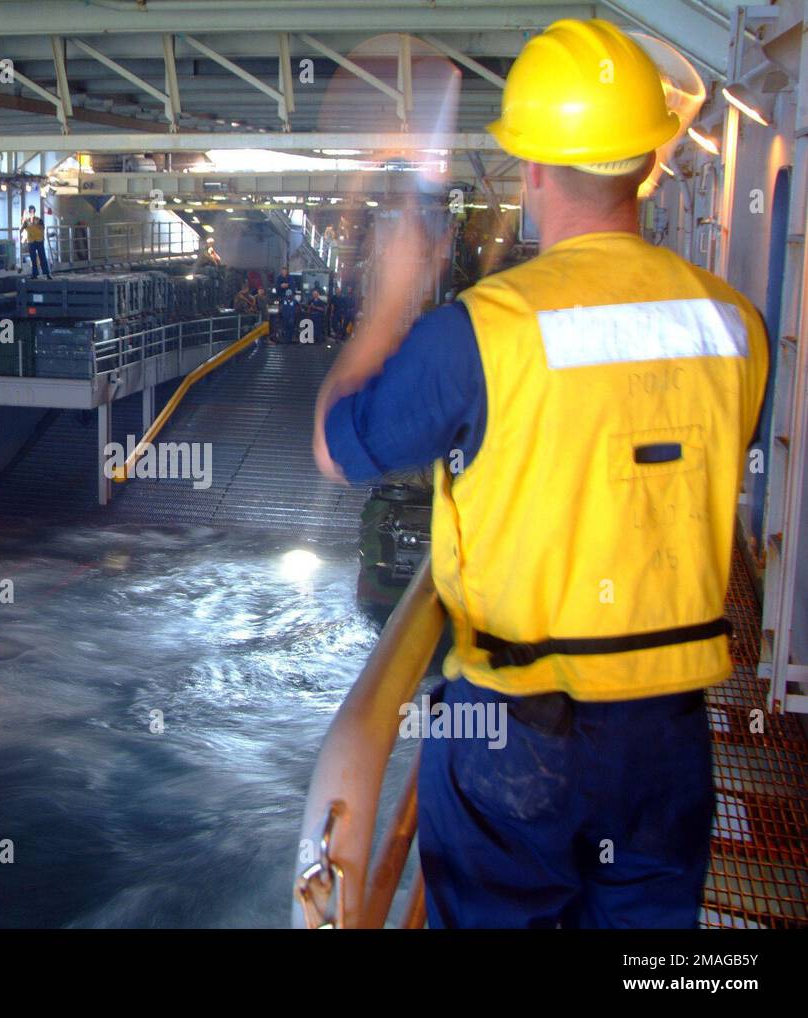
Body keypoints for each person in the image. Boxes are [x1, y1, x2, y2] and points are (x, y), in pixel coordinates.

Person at [313, 18, 768, 929]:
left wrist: (391, 301)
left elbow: (339, 445)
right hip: (669, 736)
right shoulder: (737, 325)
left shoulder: (485, 329)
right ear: (646, 165)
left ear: (532, 171)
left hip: (513, 732)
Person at [22, 205, 51, 279]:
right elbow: (22, 228)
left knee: (42, 258)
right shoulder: (26, 221)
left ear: (34, 211)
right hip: (31, 241)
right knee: (33, 259)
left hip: (39, 241)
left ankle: (46, 273)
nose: (31, 212)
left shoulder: (39, 220)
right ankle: (35, 273)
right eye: (30, 211)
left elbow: (42, 228)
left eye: (32, 211)